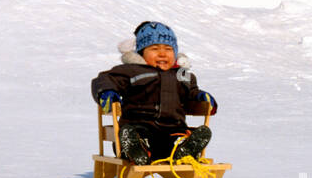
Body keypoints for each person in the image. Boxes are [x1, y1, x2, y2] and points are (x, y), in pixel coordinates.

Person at [90, 20, 217, 166]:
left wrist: (201, 96)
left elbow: (192, 92)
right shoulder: (131, 70)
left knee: (196, 133)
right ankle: (135, 150)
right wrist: (107, 91)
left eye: (168, 49)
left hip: (173, 130)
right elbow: (105, 79)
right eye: (155, 49)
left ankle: (182, 150)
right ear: (142, 53)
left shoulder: (183, 75)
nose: (162, 54)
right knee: (131, 133)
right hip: (139, 128)